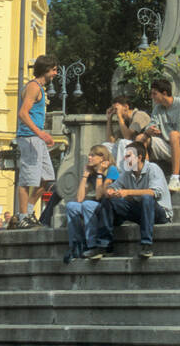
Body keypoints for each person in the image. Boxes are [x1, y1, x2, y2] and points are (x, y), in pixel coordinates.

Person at [84, 140, 173, 261]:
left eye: (128, 156)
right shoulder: (127, 174)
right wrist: (110, 191)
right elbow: (113, 187)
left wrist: (127, 192)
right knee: (108, 201)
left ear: (139, 157)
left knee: (147, 198)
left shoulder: (153, 168)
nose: (124, 159)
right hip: (141, 213)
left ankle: (146, 245)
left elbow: (155, 192)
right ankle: (104, 245)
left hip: (161, 214)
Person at [15, 54, 60, 225]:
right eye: (54, 70)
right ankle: (22, 217)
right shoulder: (33, 87)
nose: (56, 73)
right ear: (46, 70)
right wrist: (39, 133)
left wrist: (42, 135)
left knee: (47, 178)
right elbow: (23, 113)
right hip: (29, 137)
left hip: (37, 137)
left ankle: (29, 211)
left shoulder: (39, 88)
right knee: (27, 179)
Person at [63, 144, 120, 263]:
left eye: (92, 155)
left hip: (109, 208)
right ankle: (77, 245)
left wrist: (100, 174)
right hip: (97, 206)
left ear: (102, 158)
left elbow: (100, 196)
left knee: (88, 204)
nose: (89, 157)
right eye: (89, 155)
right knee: (71, 206)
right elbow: (79, 199)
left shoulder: (112, 170)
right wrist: (85, 176)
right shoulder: (92, 173)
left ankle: (92, 245)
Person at [106, 96, 150, 170]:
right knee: (106, 146)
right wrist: (109, 119)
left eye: (116, 109)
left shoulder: (139, 115)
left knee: (123, 142)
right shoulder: (125, 121)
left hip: (145, 148)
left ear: (126, 107)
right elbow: (111, 141)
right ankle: (110, 174)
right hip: (133, 147)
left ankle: (121, 176)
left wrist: (119, 116)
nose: (115, 112)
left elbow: (128, 137)